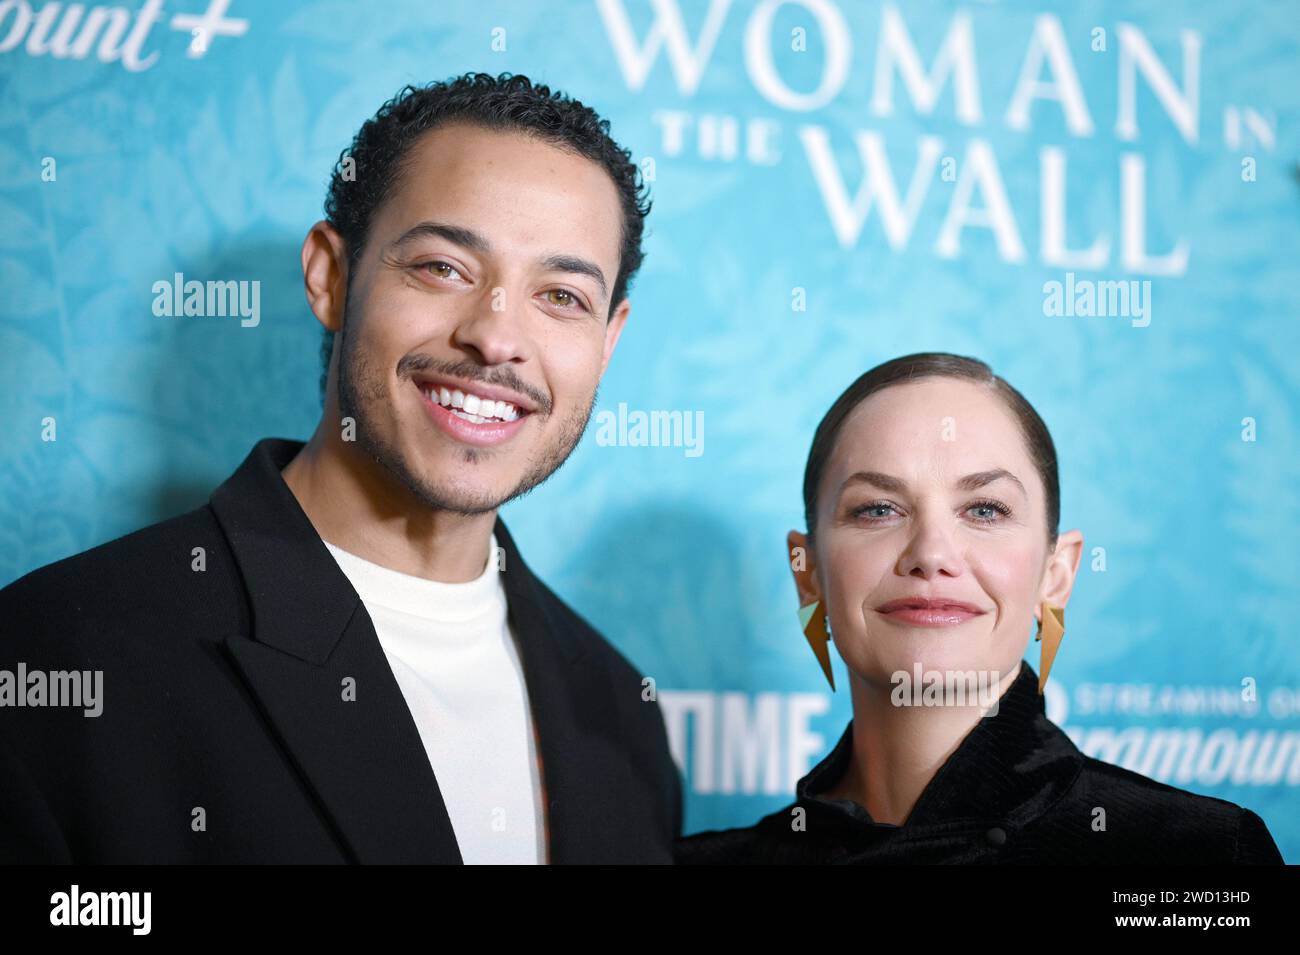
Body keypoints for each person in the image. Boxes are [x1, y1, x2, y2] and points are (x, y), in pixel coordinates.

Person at [0, 72, 681, 864]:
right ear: (331, 275)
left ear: (608, 339)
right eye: (443, 267)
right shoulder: (60, 656)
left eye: (561, 295)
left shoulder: (622, 712)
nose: (497, 340)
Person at [675, 352, 1283, 864]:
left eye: (985, 510)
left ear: (1057, 573)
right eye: (877, 509)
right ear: (807, 575)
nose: (932, 554)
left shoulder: (1199, 856)